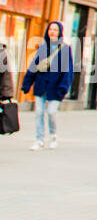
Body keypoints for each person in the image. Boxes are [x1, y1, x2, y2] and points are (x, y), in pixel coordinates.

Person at [21, 22, 74, 151]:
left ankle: (53, 136)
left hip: (56, 88)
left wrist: (63, 88)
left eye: (55, 30)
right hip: (41, 86)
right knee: (39, 113)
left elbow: (68, 71)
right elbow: (34, 67)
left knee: (51, 112)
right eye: (50, 29)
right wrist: (27, 84)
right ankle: (39, 140)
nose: (52, 32)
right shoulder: (43, 48)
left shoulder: (65, 49)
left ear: (59, 32)